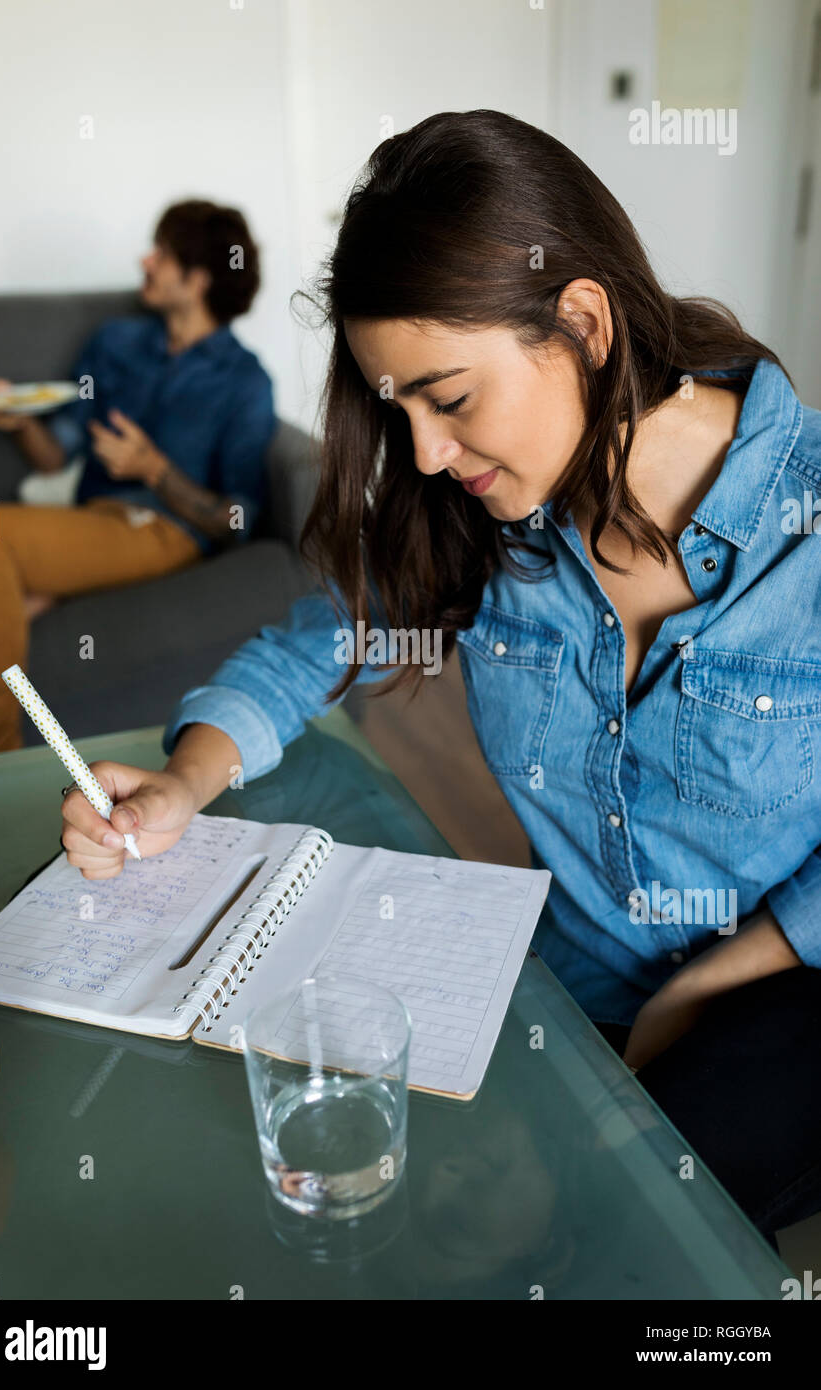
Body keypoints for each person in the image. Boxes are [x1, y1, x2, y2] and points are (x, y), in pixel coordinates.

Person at [59, 111, 821, 1246]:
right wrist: (181, 783)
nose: (419, 452)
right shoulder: (481, 522)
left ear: (582, 321)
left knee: (649, 1228)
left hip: (783, 993)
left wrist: (696, 994)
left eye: (448, 398)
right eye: (394, 406)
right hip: (569, 992)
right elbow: (308, 648)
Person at [0, 199, 276, 757]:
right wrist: (19, 423)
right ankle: (32, 597)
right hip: (90, 520)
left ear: (197, 278)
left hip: (164, 530)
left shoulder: (244, 381)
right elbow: (58, 457)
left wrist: (155, 471)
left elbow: (236, 520)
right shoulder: (116, 343)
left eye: (162, 253)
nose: (145, 261)